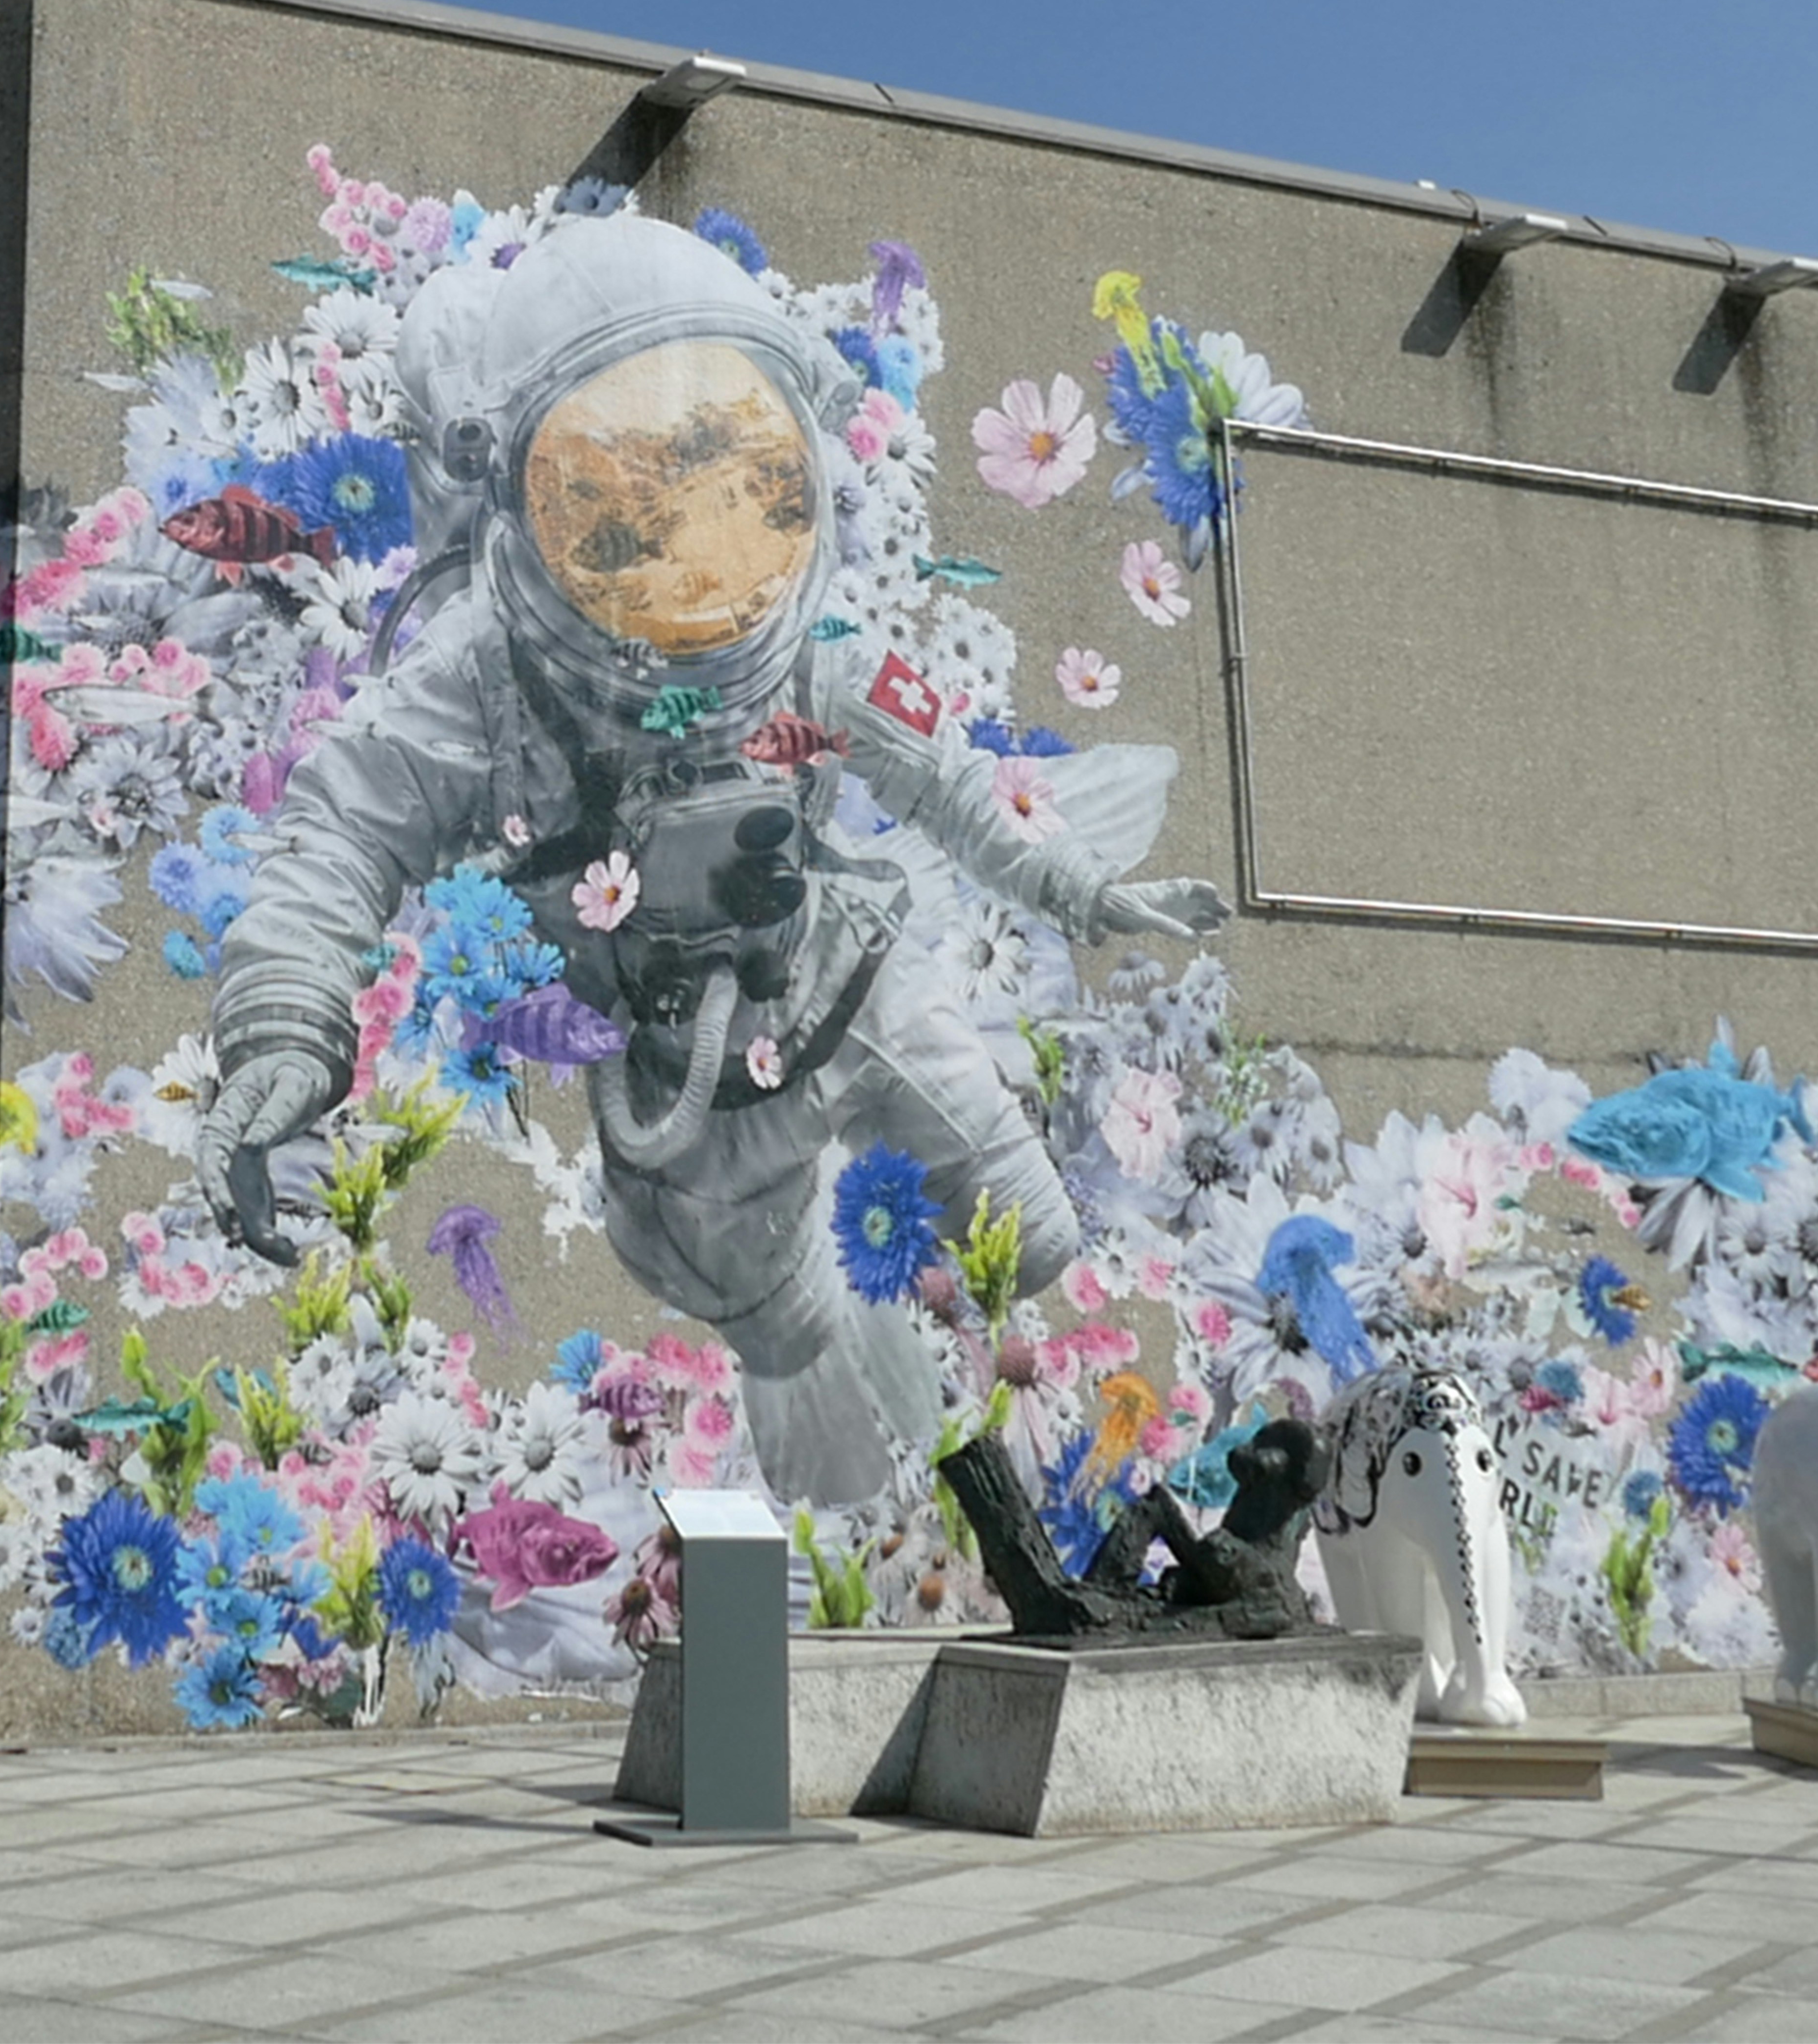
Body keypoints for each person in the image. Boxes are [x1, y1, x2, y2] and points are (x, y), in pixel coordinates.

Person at [195, 209, 1227, 1503]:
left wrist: (1080, 884)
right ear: (531, 500)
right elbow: (340, 831)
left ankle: (1011, 1448)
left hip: (852, 979)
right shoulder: (486, 678)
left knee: (1033, 1235)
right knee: (784, 1333)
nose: (691, 553)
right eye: (623, 518)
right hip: (675, 1074)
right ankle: (883, 1475)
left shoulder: (811, 649)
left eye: (733, 490)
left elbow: (951, 775)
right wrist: (285, 1031)